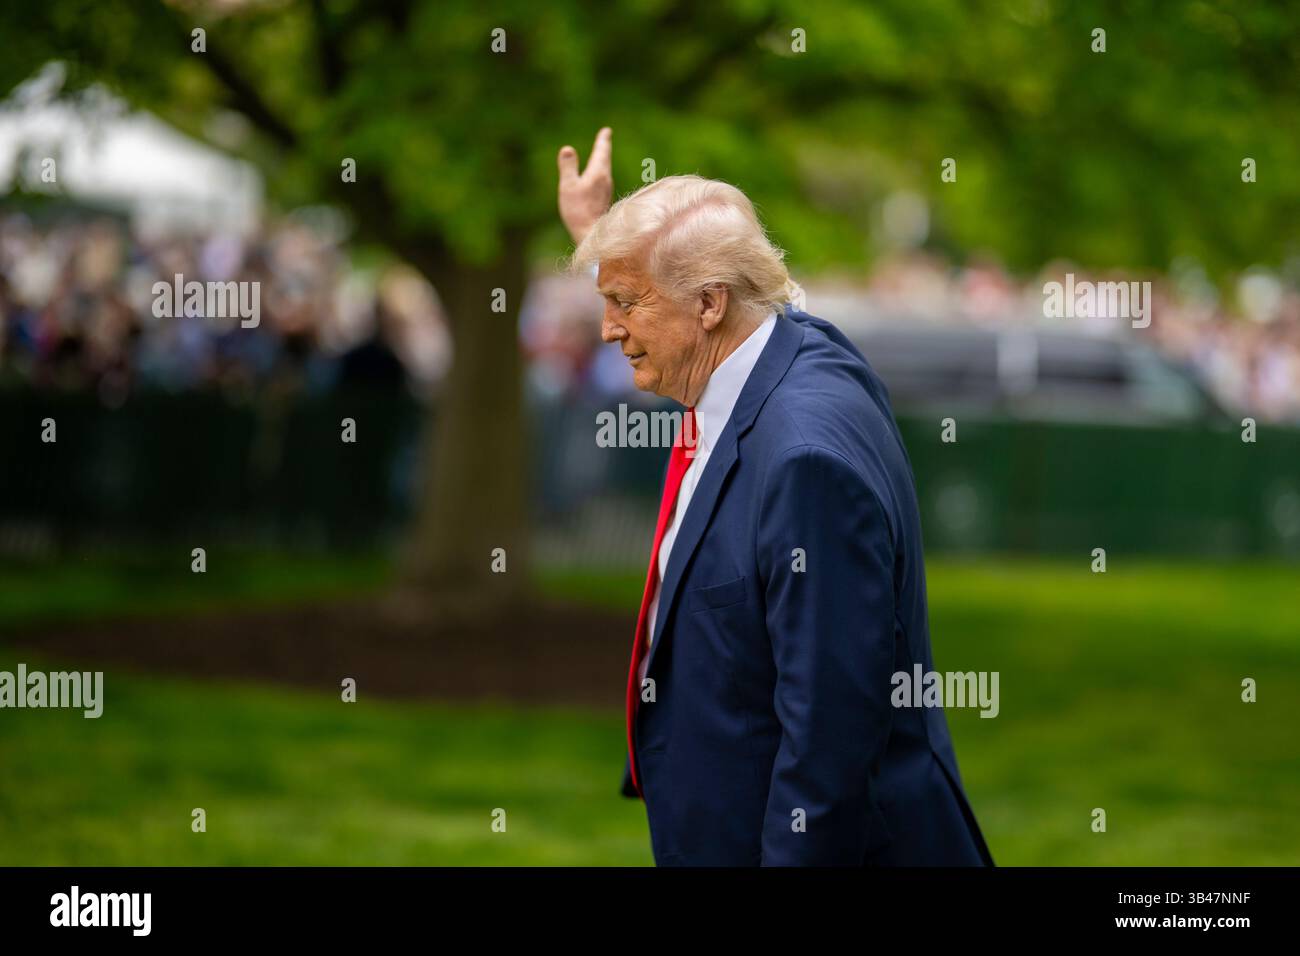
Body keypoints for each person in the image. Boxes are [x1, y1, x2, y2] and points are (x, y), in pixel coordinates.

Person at [556, 129, 994, 866]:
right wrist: (604, 240)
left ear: (709, 304)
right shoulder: (776, 348)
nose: (608, 328)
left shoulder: (804, 463)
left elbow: (829, 742)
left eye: (625, 301)